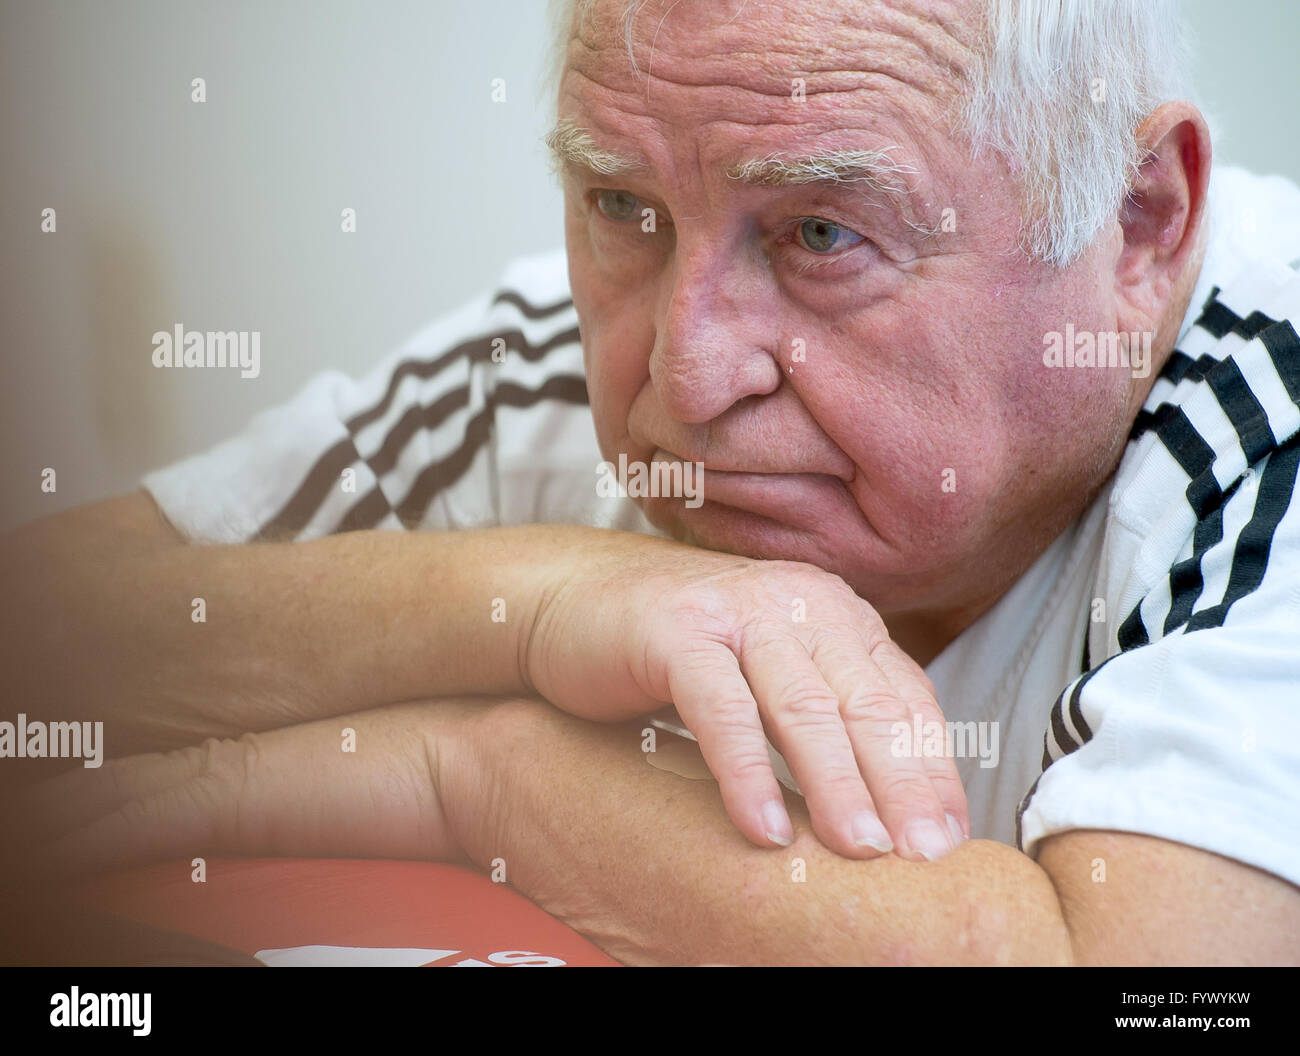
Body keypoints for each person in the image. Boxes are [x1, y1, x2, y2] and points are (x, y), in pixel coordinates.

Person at [4, 0, 1299, 964]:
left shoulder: (1269, 407)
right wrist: (552, 591)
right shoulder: (547, 383)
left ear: (1138, 222)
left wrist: (491, 777)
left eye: (822, 234)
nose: (685, 378)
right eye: (622, 208)